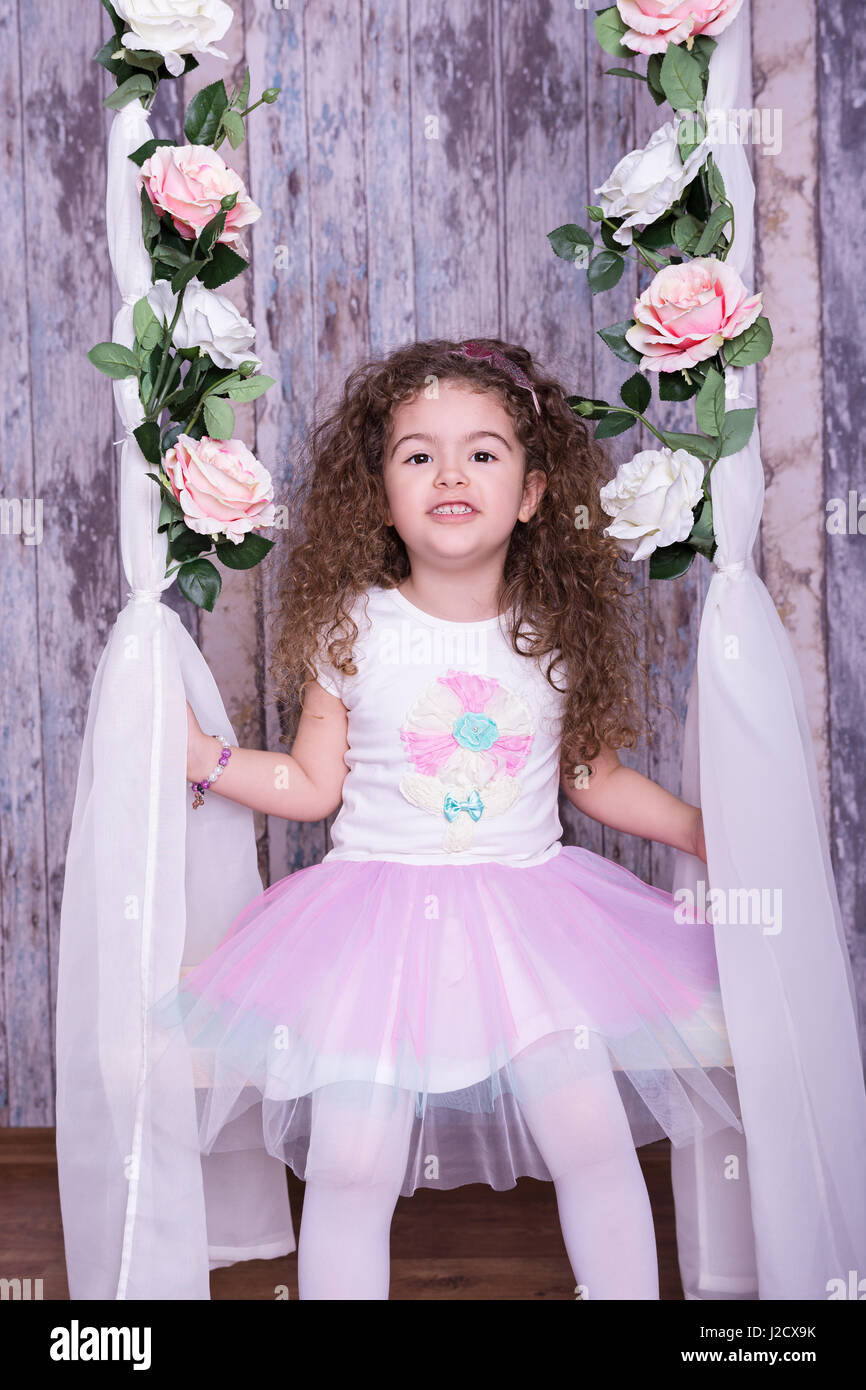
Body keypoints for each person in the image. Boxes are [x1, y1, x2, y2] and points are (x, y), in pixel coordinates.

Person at [151, 337, 742, 1301]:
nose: (451, 473)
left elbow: (593, 780)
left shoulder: (551, 635)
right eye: (417, 455)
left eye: (484, 452)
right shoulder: (354, 628)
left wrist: (701, 829)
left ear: (534, 493)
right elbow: (311, 785)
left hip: (537, 926)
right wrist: (201, 761)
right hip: (369, 931)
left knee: (591, 1138)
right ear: (381, 495)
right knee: (350, 1161)